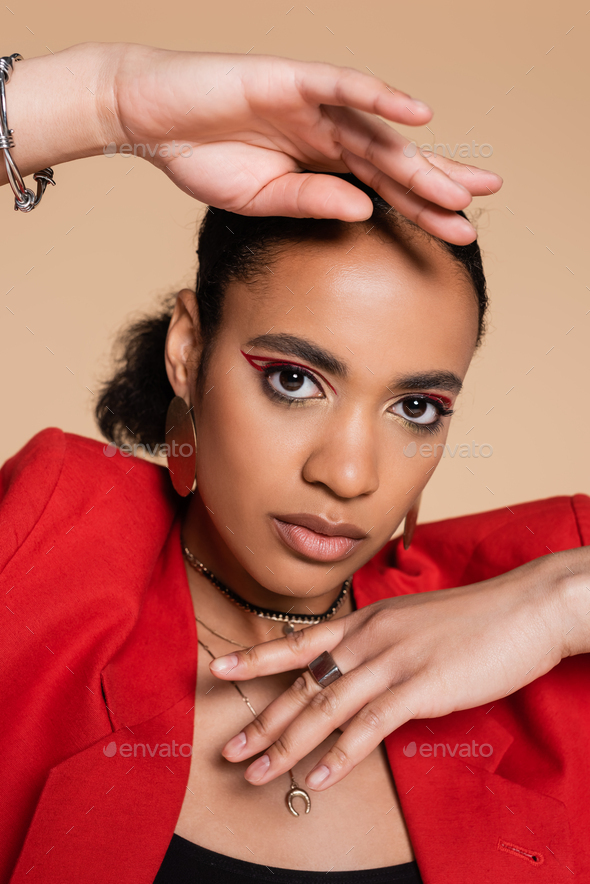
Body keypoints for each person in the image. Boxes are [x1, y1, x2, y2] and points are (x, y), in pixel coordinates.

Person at [1, 41, 588, 884]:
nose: (348, 476)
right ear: (188, 347)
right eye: (292, 380)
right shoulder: (44, 550)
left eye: (416, 407)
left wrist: (561, 607)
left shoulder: (526, 628)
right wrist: (103, 102)